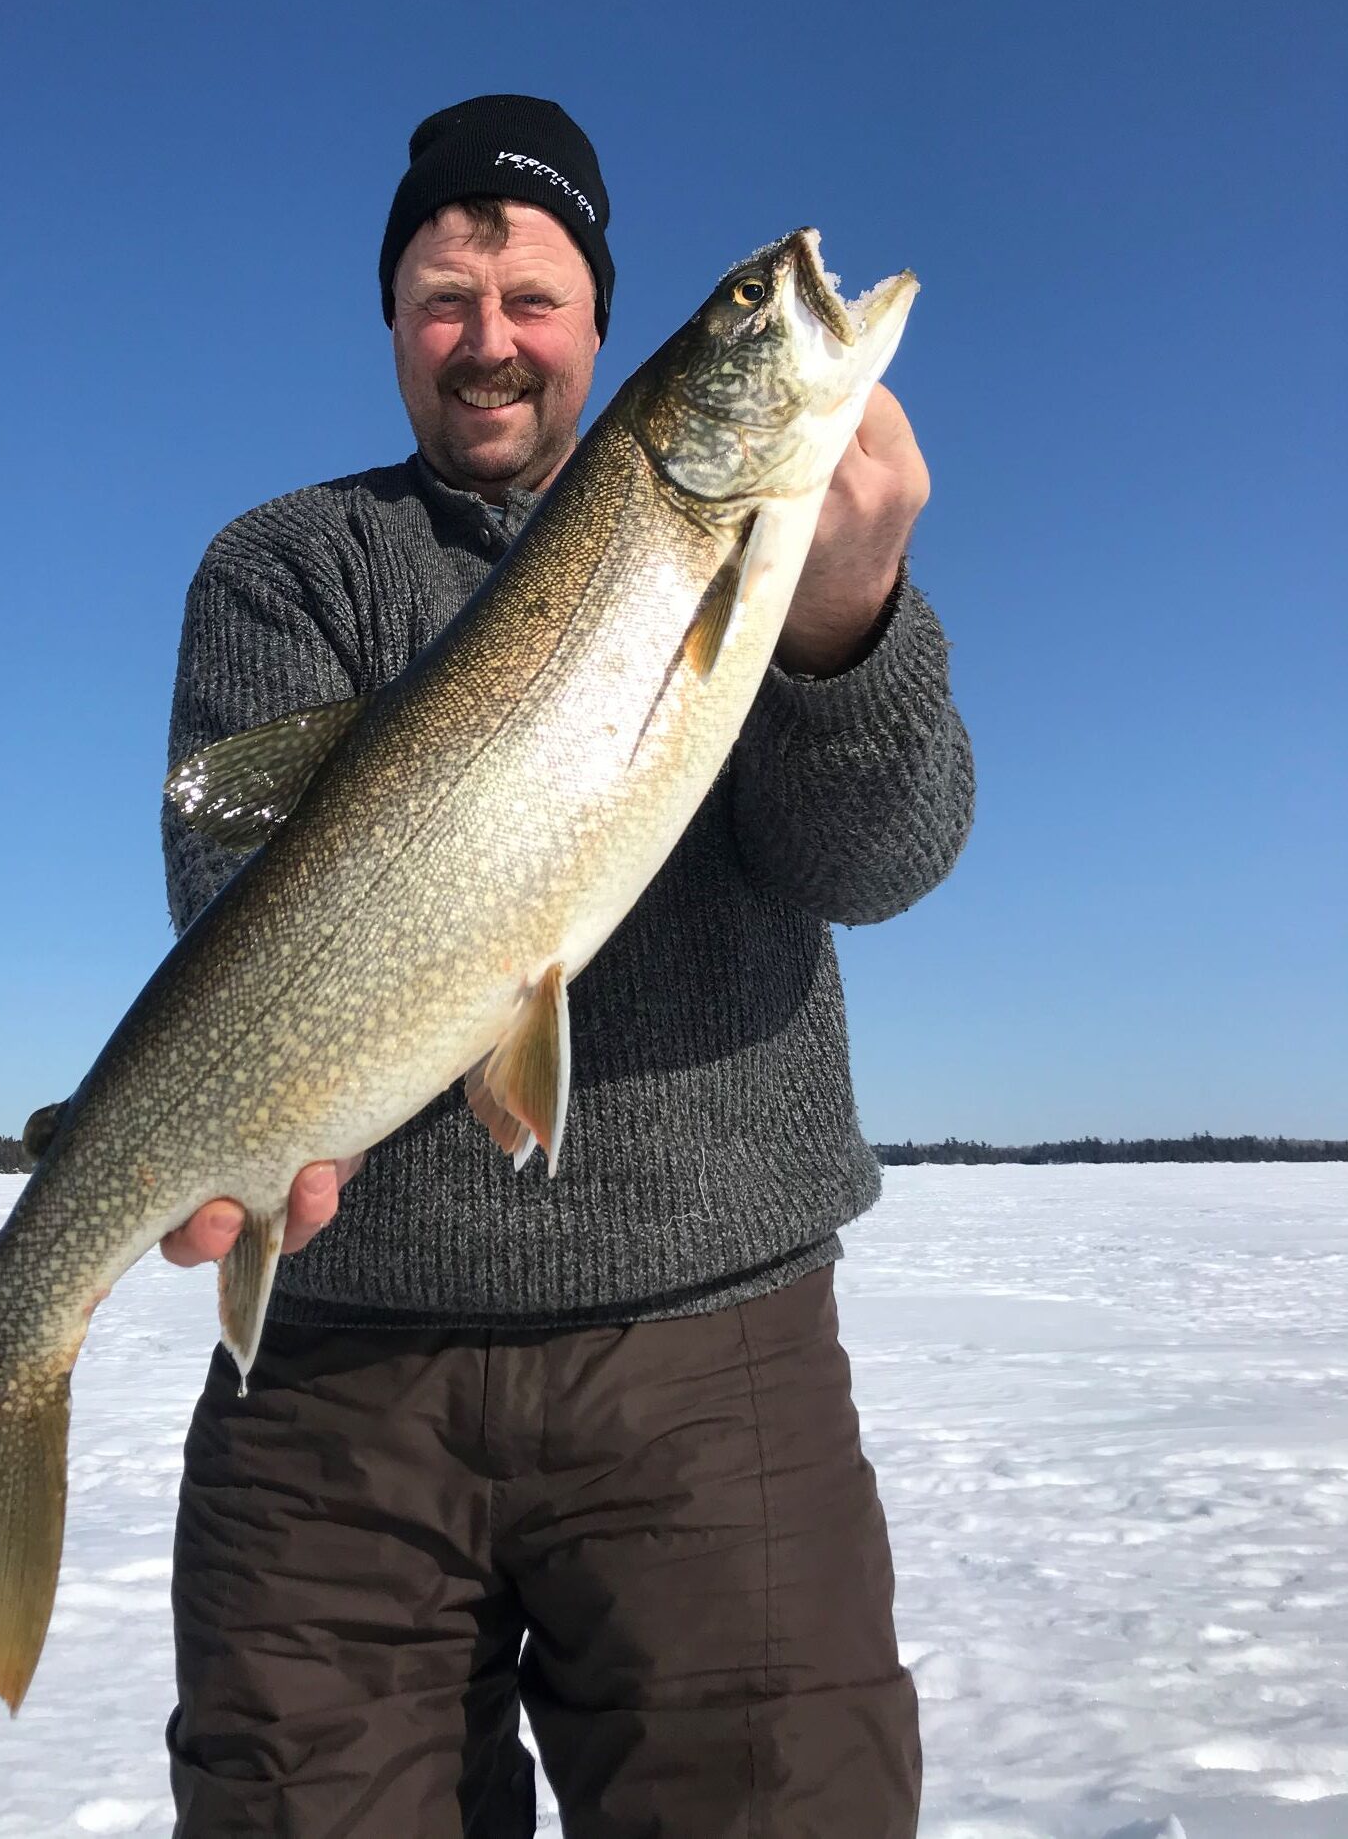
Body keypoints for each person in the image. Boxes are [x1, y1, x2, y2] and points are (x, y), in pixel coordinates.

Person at [156, 95, 973, 1837]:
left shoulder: (784, 546)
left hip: (710, 1361)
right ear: (392, 324)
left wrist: (847, 617)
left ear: (604, 326)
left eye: (532, 297)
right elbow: (229, 887)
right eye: (444, 298)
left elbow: (881, 862)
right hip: (337, 1388)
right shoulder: (285, 565)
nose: (489, 341)